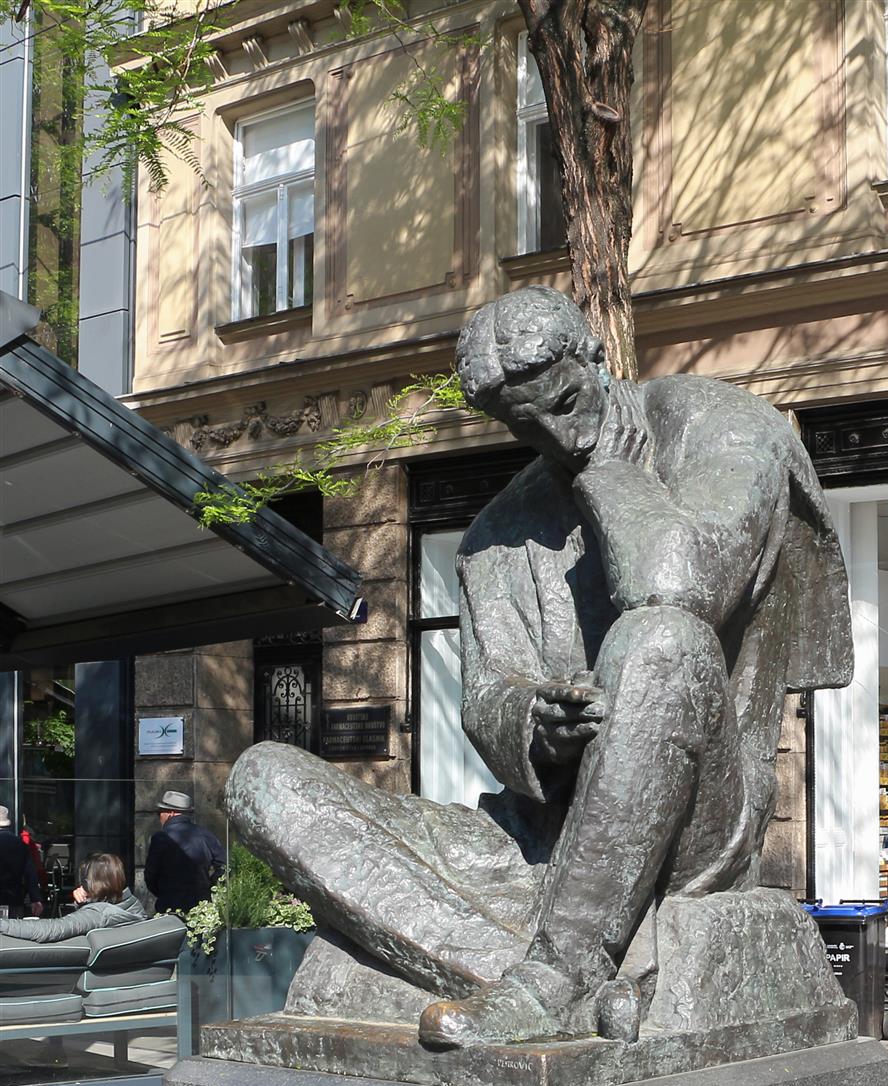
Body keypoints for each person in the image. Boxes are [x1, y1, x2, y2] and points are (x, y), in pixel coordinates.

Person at [227, 287, 853, 1047]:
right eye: (528, 424)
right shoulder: (496, 535)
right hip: (534, 844)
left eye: (565, 403)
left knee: (659, 638)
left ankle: (560, 970)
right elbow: (486, 699)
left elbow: (678, 585)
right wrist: (534, 722)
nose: (558, 436)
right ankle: (572, 971)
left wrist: (610, 470)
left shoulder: (720, 426)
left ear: (596, 357)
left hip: (696, 833)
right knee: (262, 780)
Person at [0, 853, 145, 943]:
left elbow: (52, 930)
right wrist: (84, 904)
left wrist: (3, 924)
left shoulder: (97, 914)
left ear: (90, 883)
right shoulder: (133, 905)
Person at [143, 790, 226, 915]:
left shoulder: (160, 838)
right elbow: (225, 866)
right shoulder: (206, 835)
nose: (159, 817)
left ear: (170, 813)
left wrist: (165, 893)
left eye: (159, 812)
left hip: (169, 907)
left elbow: (150, 876)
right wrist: (209, 886)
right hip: (200, 908)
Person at [0, 805, 43, 919]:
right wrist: (35, 898)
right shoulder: (21, 844)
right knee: (14, 929)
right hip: (15, 899)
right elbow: (30, 873)